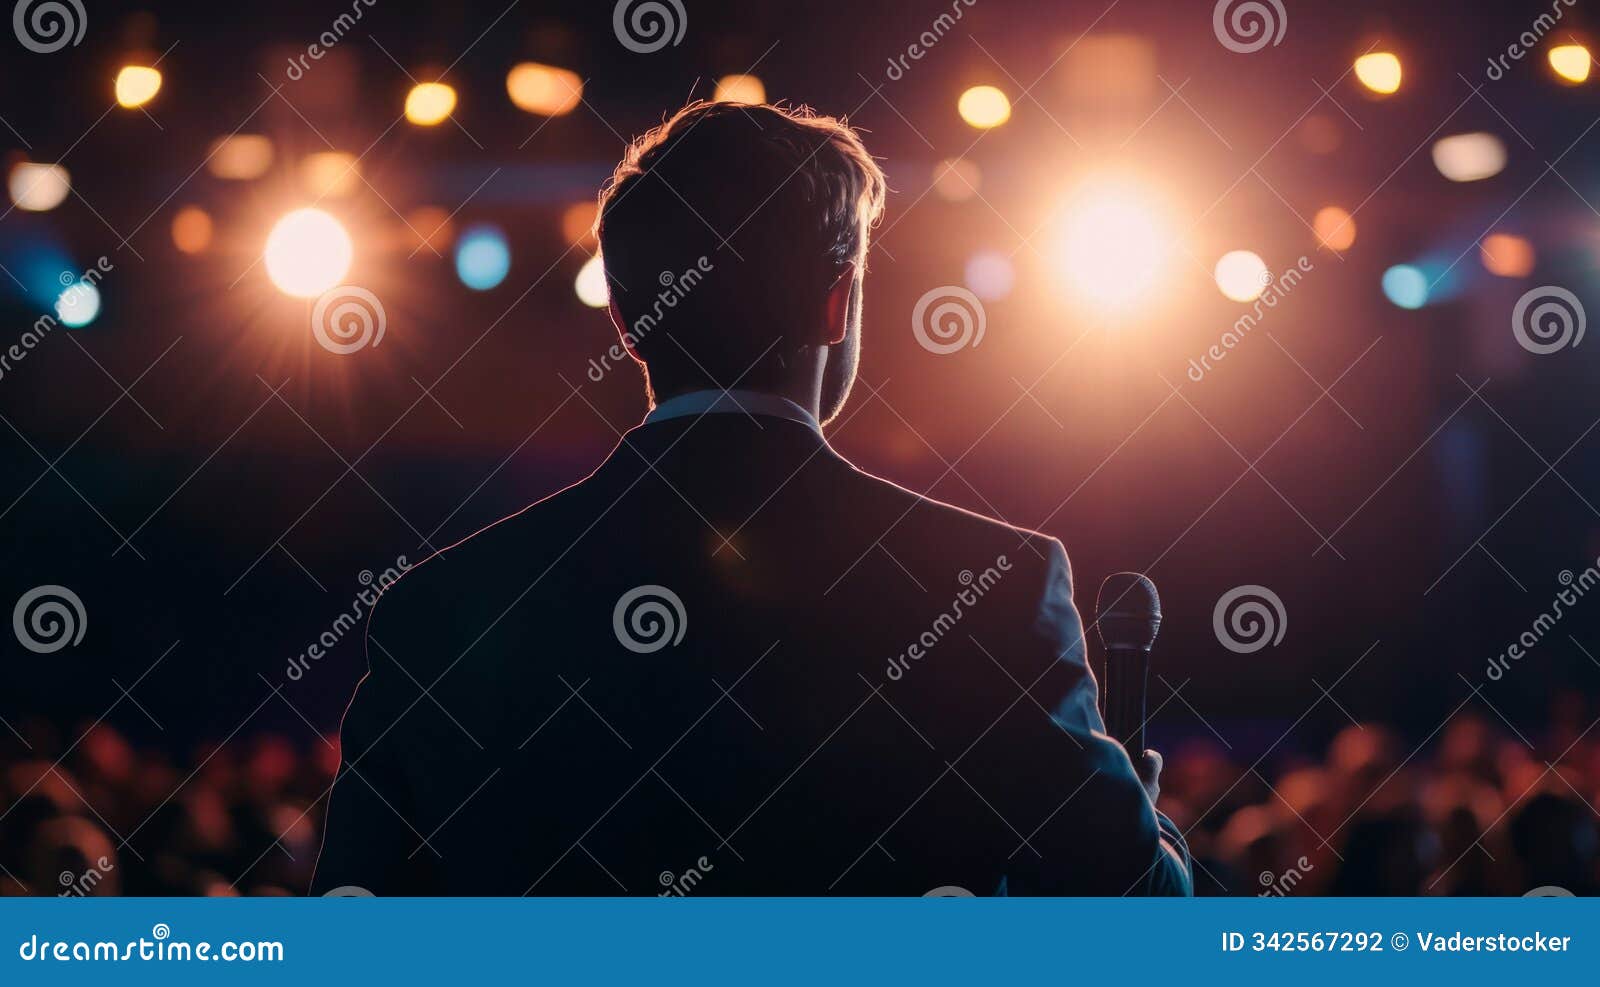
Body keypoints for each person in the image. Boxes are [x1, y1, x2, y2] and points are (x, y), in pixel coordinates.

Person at [312, 100, 1191, 896]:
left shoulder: (439, 608)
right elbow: (1128, 922)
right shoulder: (993, 586)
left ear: (623, 320)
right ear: (837, 302)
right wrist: (1147, 837)